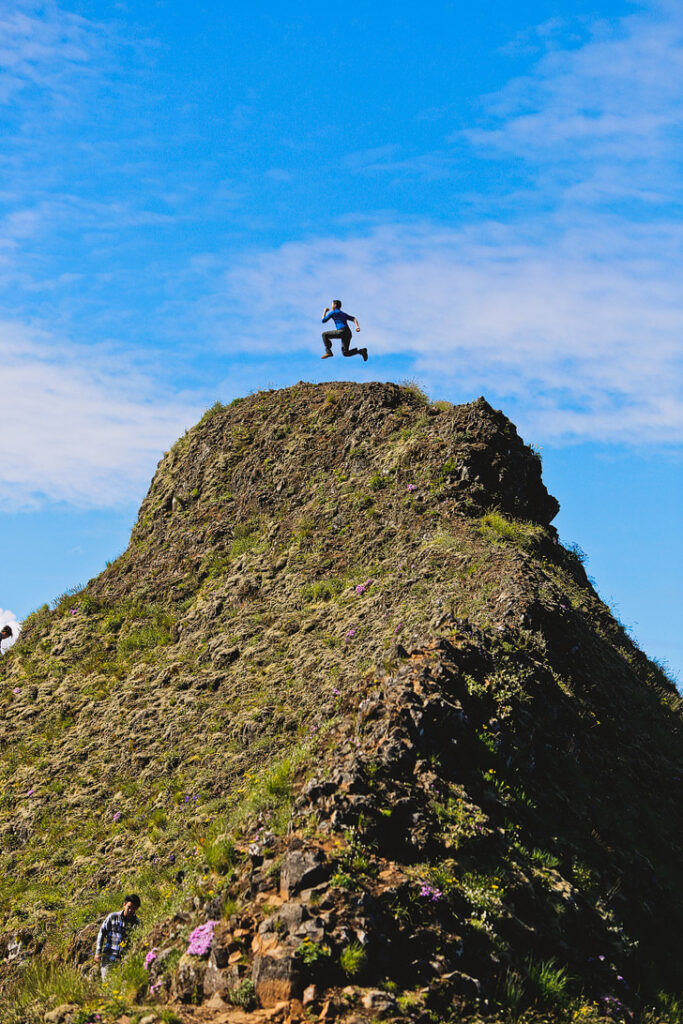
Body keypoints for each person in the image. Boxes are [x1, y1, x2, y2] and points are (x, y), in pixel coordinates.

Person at [94, 894, 141, 979]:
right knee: (107, 984)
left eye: (133, 908)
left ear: (136, 909)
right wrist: (98, 952)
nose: (130, 910)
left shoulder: (137, 923)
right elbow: (102, 932)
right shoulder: (113, 917)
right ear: (124, 905)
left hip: (124, 961)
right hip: (108, 957)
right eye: (129, 907)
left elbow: (138, 941)